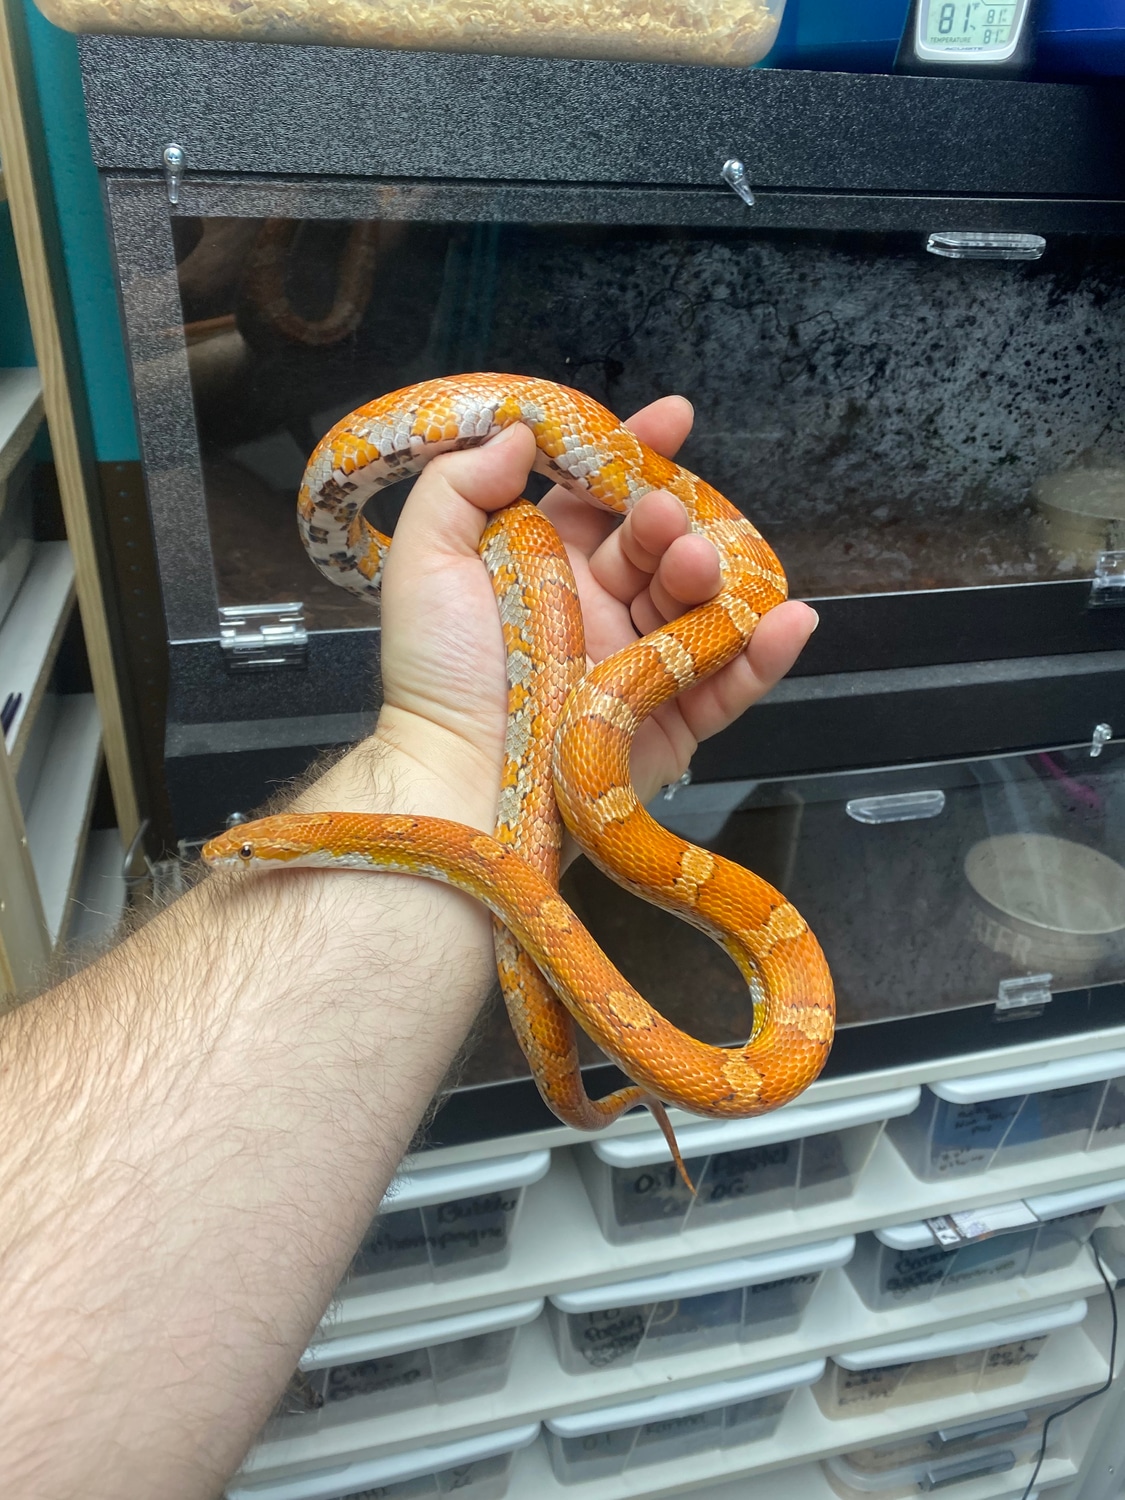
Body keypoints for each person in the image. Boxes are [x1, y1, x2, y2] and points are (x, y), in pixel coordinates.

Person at [0, 395, 817, 1500]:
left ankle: (589, 1073)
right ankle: (582, 1073)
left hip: (603, 690)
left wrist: (466, 762)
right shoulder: (522, 578)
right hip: (533, 719)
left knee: (632, 606)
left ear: (291, 852)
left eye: (250, 855)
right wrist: (449, 746)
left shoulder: (569, 622)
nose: (230, 859)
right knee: (537, 723)